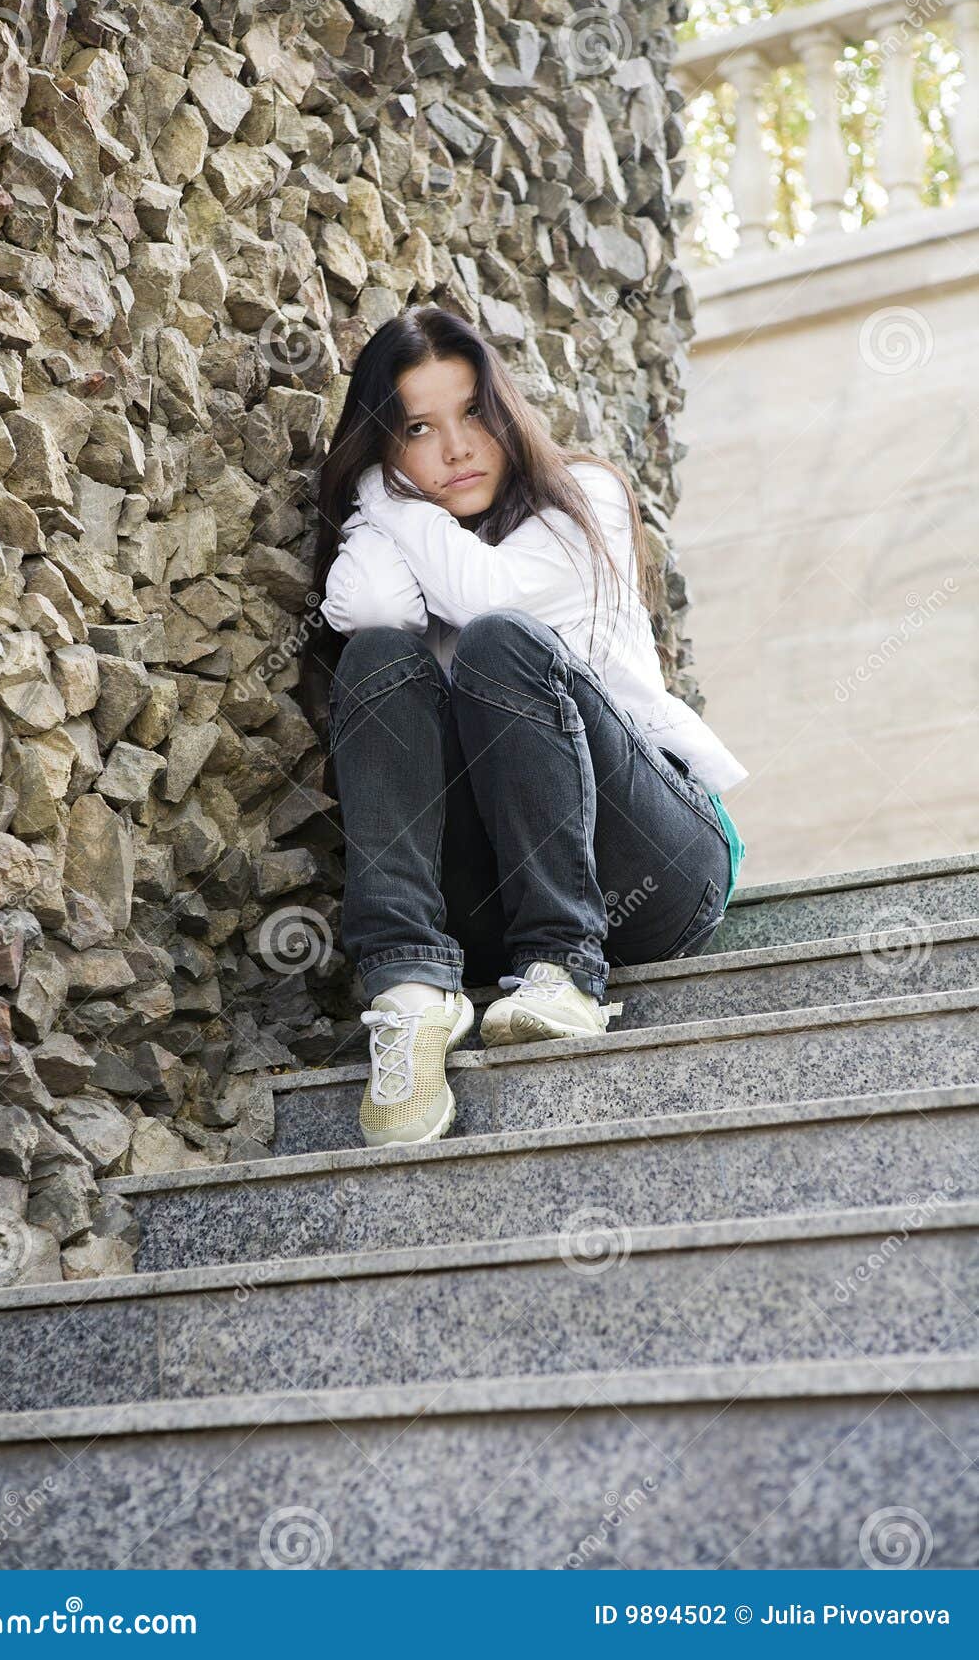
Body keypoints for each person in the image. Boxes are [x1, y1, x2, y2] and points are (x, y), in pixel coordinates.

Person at [301, 305, 747, 1150]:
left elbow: (488, 601)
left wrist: (382, 496)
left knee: (500, 641)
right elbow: (369, 607)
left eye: (471, 413)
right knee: (377, 657)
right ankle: (407, 991)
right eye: (417, 430)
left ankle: (566, 972)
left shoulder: (587, 499)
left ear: (505, 412)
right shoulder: (412, 530)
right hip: (492, 905)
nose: (457, 448)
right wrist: (381, 499)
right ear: (386, 450)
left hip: (654, 865)